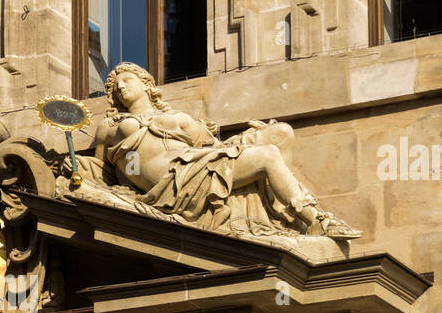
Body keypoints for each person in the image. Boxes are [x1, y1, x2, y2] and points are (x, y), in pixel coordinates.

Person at [94, 62, 358, 238]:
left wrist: (249, 137)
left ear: (146, 85)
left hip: (198, 162)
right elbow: (99, 169)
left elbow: (213, 147)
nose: (120, 85)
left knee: (280, 134)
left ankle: (287, 215)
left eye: (127, 79)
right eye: (116, 85)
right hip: (169, 181)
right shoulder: (110, 125)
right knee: (267, 156)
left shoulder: (175, 115)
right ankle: (314, 220)